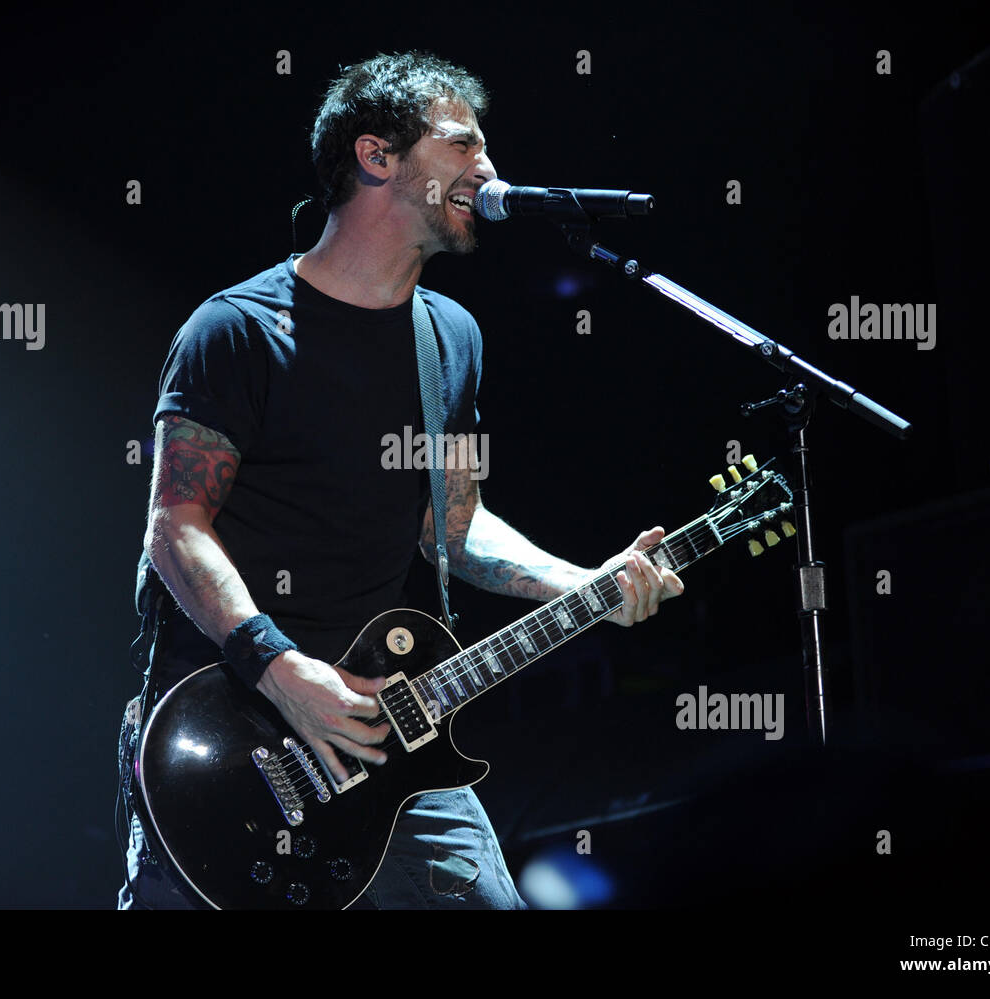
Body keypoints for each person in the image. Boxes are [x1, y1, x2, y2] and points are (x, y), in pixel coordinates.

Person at [116, 50, 683, 910]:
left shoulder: (451, 336)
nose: (488, 172)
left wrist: (588, 582)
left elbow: (453, 528)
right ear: (376, 156)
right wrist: (279, 668)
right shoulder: (234, 330)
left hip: (392, 727)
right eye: (462, 147)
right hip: (231, 727)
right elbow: (176, 526)